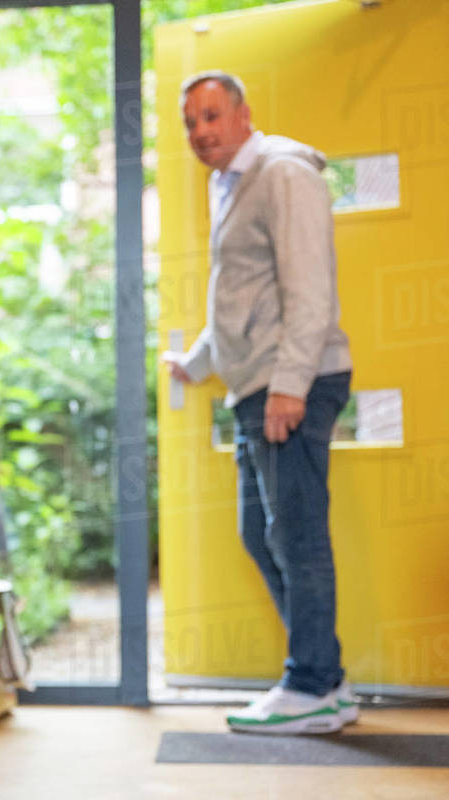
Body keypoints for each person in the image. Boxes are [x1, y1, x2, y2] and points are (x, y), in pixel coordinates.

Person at [162, 71, 356, 734]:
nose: (201, 132)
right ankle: (325, 676)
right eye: (191, 123)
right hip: (256, 387)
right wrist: (194, 366)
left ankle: (310, 686)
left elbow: (310, 288)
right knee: (262, 532)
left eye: (211, 116)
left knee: (296, 534)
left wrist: (290, 384)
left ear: (245, 114)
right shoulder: (234, 185)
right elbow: (244, 298)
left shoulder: (282, 172)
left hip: (288, 384)